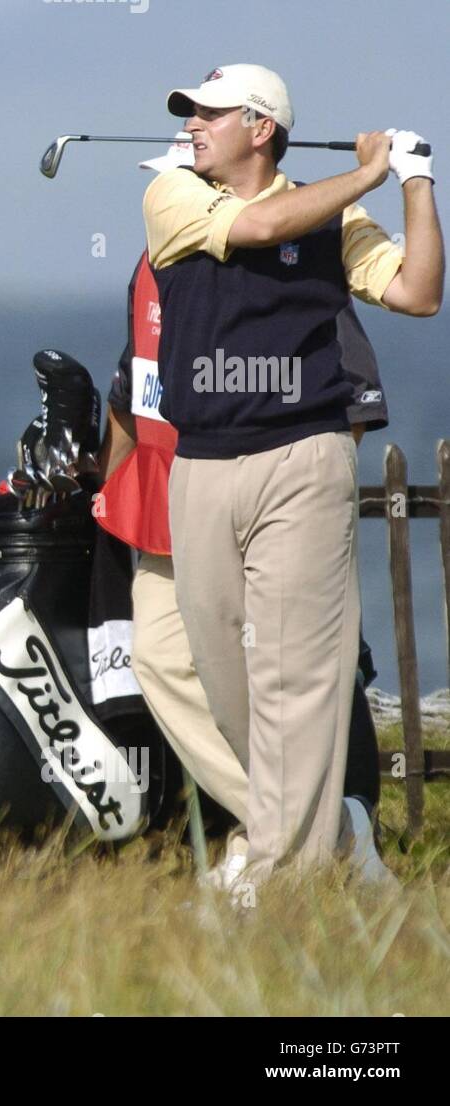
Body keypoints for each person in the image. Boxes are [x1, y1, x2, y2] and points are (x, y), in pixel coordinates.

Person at [141, 64, 442, 889]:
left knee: (299, 678)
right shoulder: (172, 196)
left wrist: (414, 183)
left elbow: (417, 292)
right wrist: (368, 171)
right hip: (202, 462)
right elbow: (262, 224)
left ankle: (277, 878)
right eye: (190, 114)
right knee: (224, 674)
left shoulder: (338, 212)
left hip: (303, 458)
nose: (193, 126)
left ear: (260, 126)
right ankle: (333, 833)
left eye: (209, 114)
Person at [100, 134, 393, 890]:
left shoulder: (281, 256)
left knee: (284, 682)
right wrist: (111, 485)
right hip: (171, 504)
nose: (174, 193)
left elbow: (344, 391)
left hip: (265, 498)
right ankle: (319, 836)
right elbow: (130, 387)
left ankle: (286, 848)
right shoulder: (157, 256)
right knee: (163, 660)